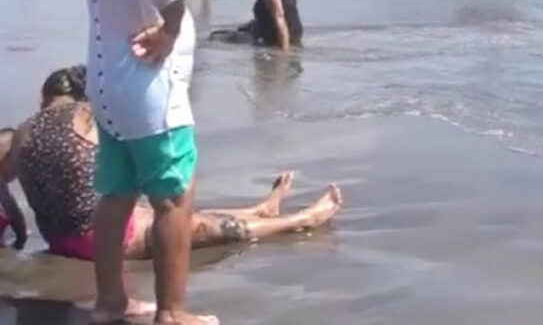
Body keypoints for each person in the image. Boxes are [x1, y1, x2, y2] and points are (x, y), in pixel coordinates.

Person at [73, 0, 213, 324]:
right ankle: (171, 314)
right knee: (175, 197)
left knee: (116, 194)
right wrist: (169, 33)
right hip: (149, 88)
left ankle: (111, 302)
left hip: (106, 79)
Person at [3, 66, 342, 266]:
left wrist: (16, 225)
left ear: (44, 99)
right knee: (198, 225)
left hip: (60, 239)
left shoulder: (23, 131)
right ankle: (300, 220)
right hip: (104, 242)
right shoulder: (91, 117)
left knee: (168, 215)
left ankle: (260, 209)